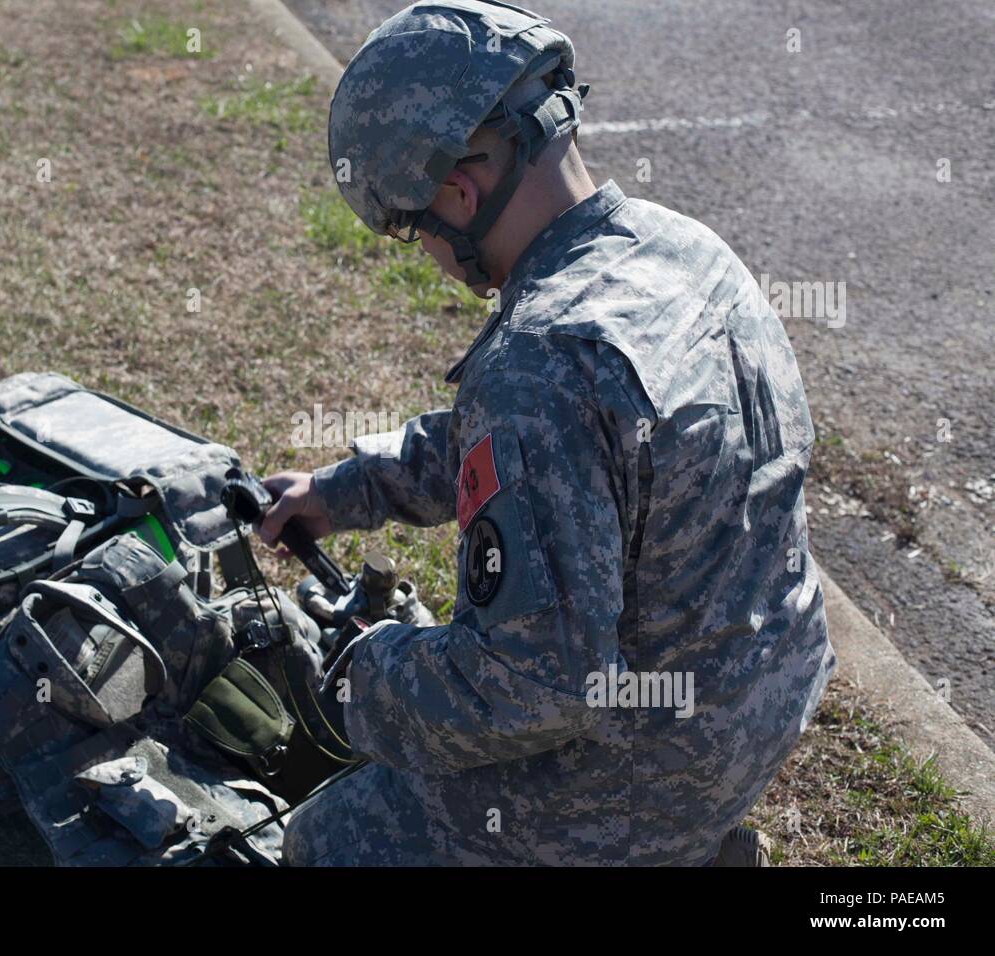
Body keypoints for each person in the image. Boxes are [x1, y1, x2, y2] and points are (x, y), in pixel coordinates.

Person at [259, 0, 834, 866]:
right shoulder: (683, 250)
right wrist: (343, 491)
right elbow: (556, 453)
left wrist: (367, 670)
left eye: (414, 230)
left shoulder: (539, 363)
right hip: (761, 702)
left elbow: (528, 689)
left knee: (323, 842)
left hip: (643, 773)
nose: (428, 254)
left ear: (457, 194)